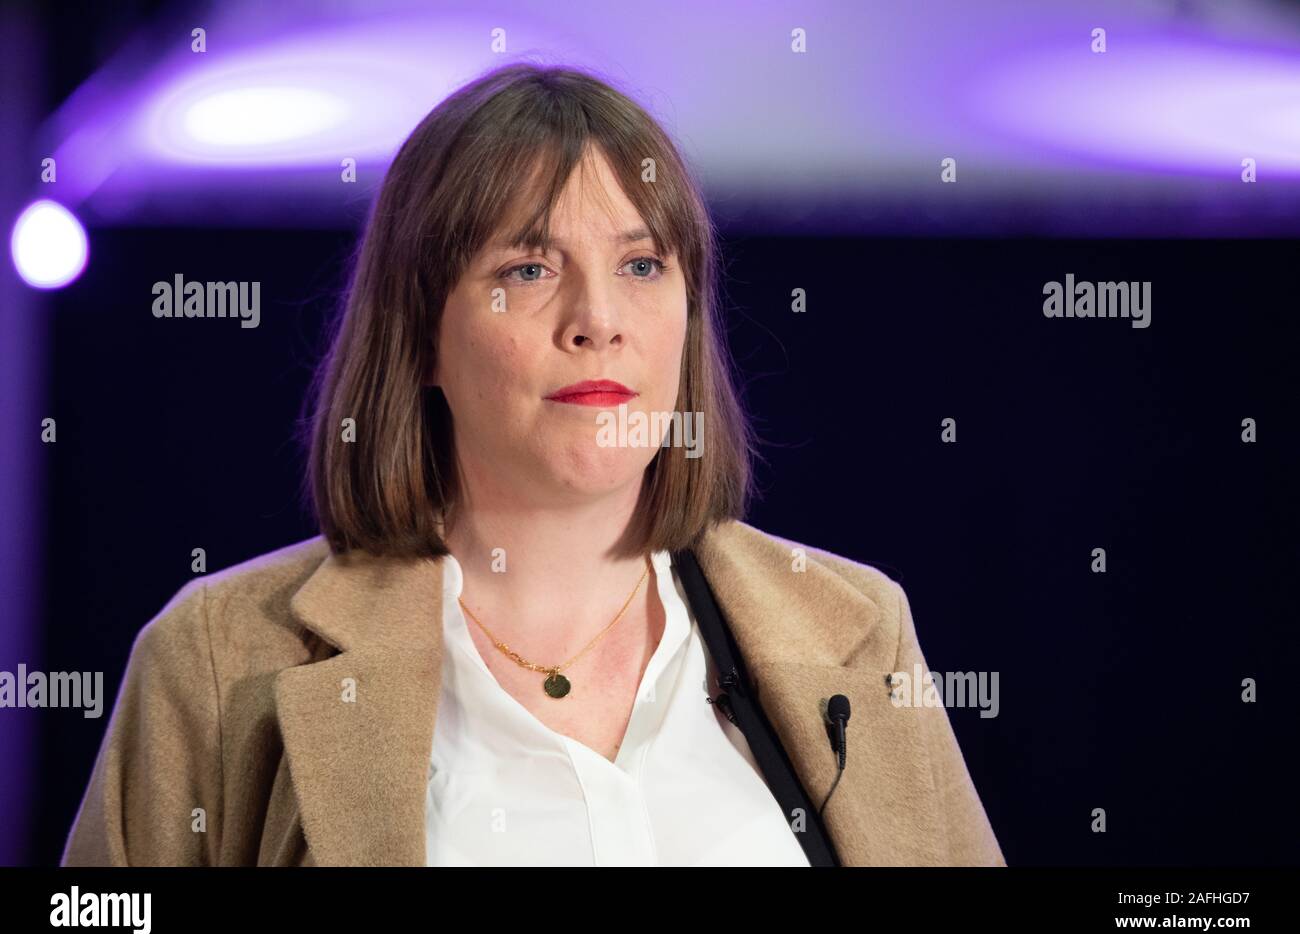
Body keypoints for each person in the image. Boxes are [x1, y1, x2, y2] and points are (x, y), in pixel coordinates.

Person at [61, 62, 1004, 867]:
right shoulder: (219, 659)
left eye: (642, 266)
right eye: (528, 269)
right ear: (420, 335)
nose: (600, 319)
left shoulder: (857, 630)